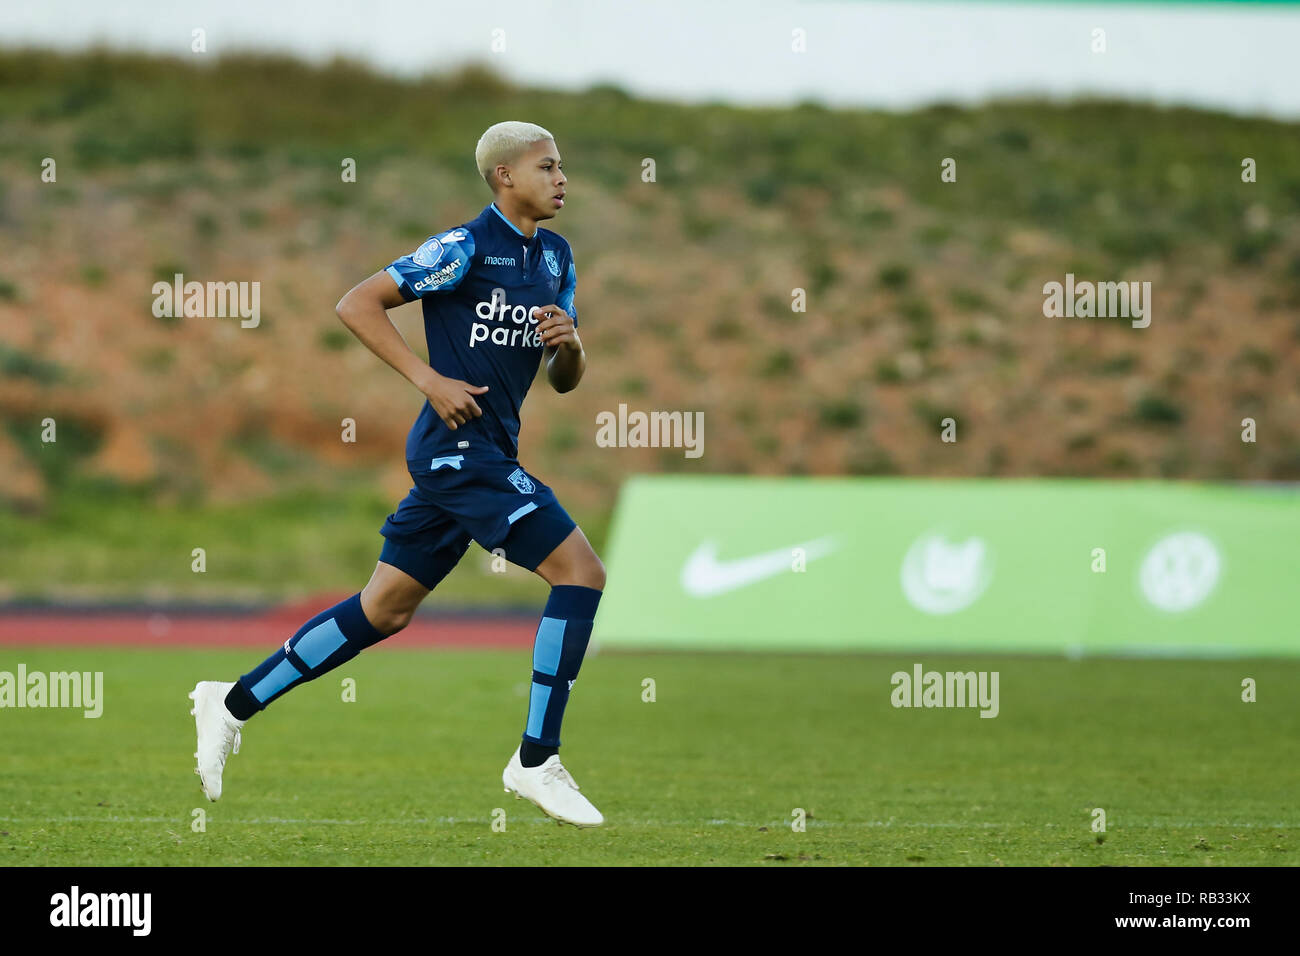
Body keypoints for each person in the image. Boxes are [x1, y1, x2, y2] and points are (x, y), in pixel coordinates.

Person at [189, 121, 607, 827]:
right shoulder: (463, 247)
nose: (562, 178)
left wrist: (570, 347)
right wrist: (429, 379)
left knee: (385, 609)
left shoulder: (557, 258)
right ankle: (536, 759)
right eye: (547, 166)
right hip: (456, 452)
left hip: (486, 455)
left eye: (562, 167)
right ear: (504, 176)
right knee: (581, 573)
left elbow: (565, 380)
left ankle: (228, 702)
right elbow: (357, 302)